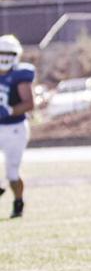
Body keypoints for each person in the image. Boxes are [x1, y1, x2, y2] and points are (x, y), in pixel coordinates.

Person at [0, 34, 34, 218]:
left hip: (15, 128)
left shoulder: (20, 75)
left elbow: (29, 103)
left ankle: (18, 201)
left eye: (8, 53)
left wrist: (10, 110)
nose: (3, 57)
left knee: (12, 172)